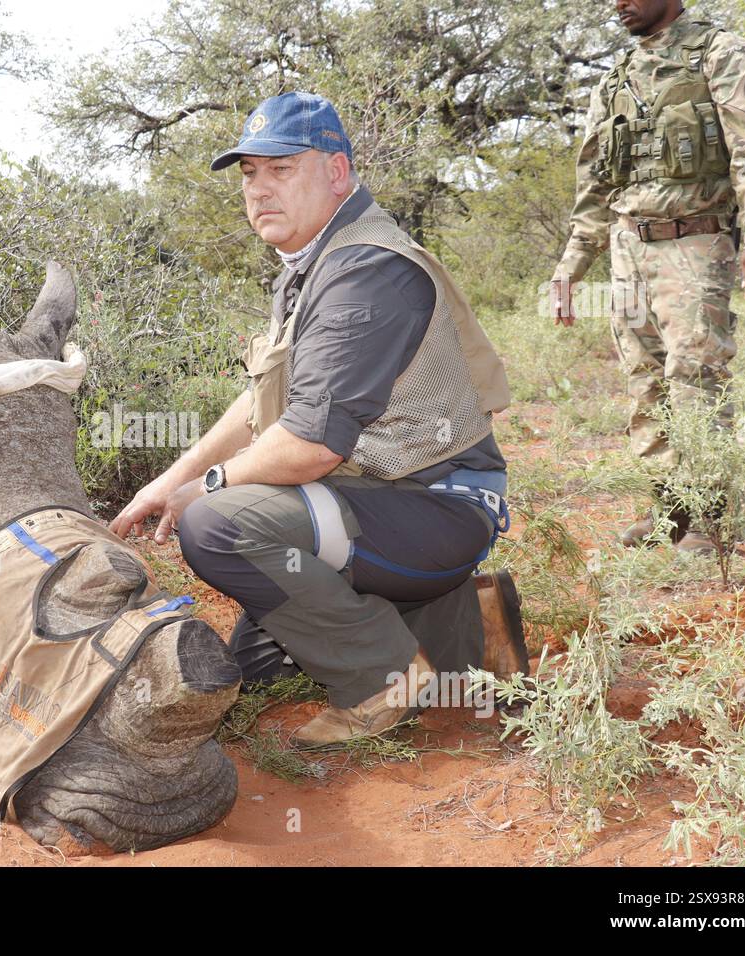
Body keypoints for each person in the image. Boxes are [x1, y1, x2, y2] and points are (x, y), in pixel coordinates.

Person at [109, 92, 527, 746]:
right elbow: (261, 405)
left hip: (435, 503)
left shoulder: (365, 270)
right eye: (249, 173)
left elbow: (306, 447)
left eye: (281, 169)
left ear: (337, 173)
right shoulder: (317, 260)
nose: (259, 189)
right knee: (258, 666)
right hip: (390, 499)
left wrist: (208, 488)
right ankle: (466, 627)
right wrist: (170, 478)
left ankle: (381, 680)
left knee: (220, 529)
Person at [550, 0, 745, 553]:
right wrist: (571, 266)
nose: (617, 4)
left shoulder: (721, 53)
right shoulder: (614, 79)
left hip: (696, 241)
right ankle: (669, 509)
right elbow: (594, 184)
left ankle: (707, 516)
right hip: (629, 247)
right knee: (645, 382)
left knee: (696, 377)